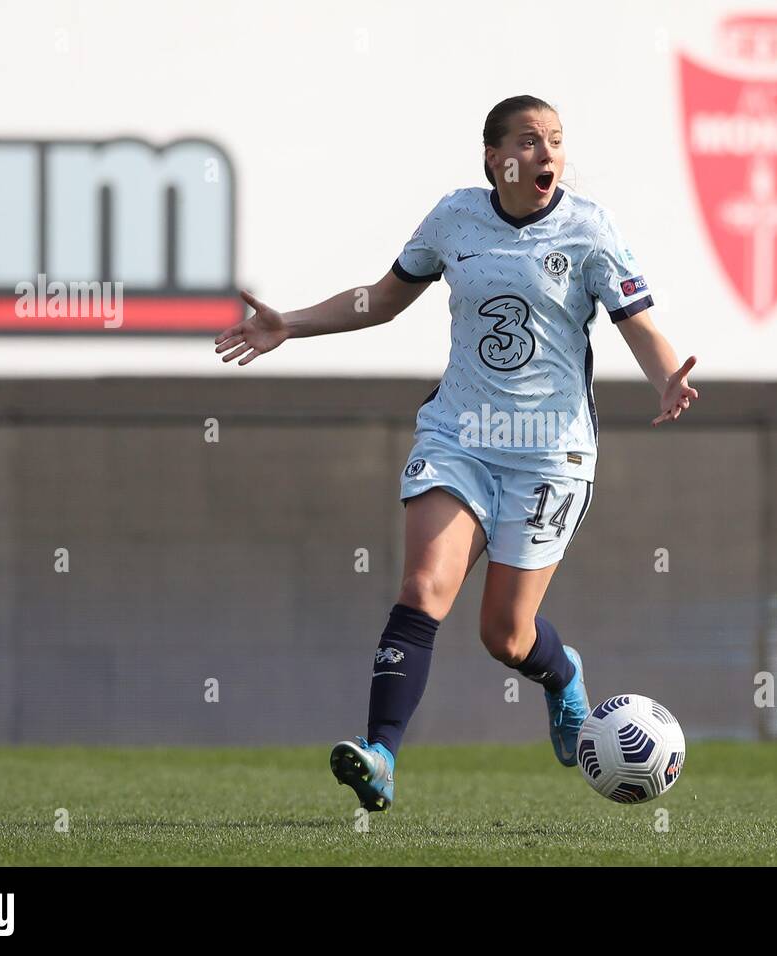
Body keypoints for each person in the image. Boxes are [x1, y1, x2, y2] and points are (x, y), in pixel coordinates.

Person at [214, 94, 697, 811]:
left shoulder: (590, 229)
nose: (546, 155)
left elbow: (640, 324)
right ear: (493, 157)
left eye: (556, 142)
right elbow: (379, 301)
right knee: (423, 591)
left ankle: (562, 675)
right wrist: (293, 323)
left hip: (548, 455)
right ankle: (380, 757)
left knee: (504, 637)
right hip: (459, 438)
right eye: (529, 141)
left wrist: (667, 378)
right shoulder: (454, 218)